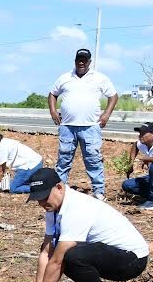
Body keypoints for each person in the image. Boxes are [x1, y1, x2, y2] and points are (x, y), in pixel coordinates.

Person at [15, 167, 149, 282]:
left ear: (59, 187)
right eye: (38, 199)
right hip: (112, 255)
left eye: (44, 197)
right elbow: (46, 253)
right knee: (65, 252)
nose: (41, 203)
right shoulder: (53, 209)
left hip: (132, 261)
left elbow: (57, 261)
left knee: (70, 255)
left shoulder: (76, 208)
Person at [49, 47, 118, 200]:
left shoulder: (100, 78)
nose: (81, 62)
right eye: (79, 59)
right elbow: (52, 94)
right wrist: (53, 111)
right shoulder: (65, 77)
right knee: (64, 159)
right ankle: (60, 190)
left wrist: (106, 114)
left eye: (84, 60)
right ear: (75, 60)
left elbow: (113, 96)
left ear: (89, 62)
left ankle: (98, 191)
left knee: (93, 159)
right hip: (68, 126)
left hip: (91, 127)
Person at [0, 129, 44, 194]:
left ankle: (41, 187)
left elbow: (1, 170)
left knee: (13, 189)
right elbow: (3, 168)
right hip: (37, 161)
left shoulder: (2, 148)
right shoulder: (4, 141)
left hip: (30, 166)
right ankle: (37, 183)